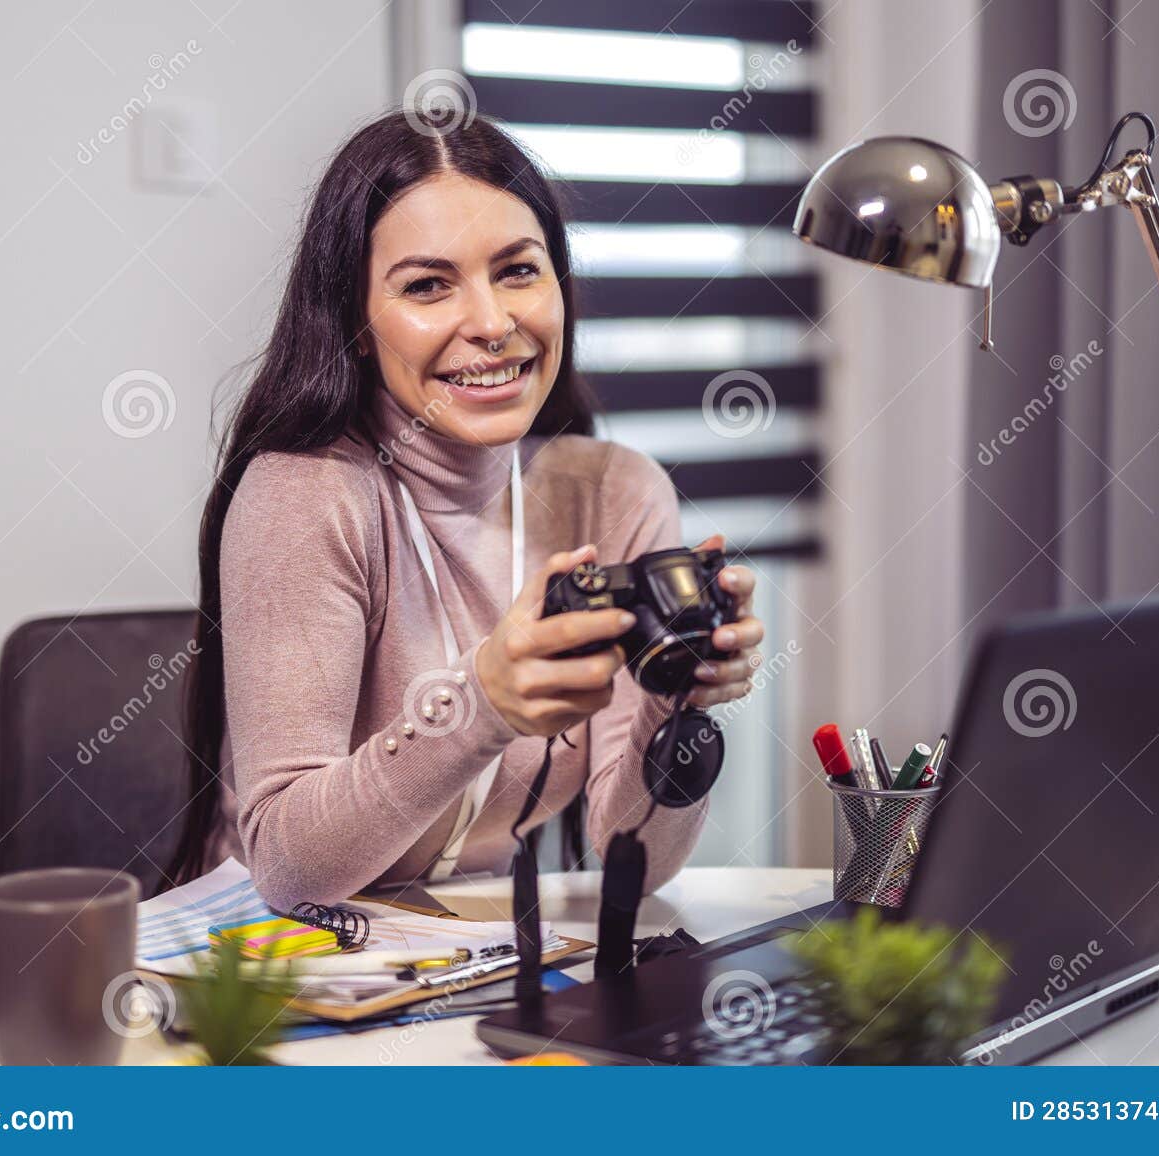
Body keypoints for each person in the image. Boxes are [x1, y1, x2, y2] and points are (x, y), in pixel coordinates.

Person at [162, 108, 765, 910]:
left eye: (518, 271)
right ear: (358, 325)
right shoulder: (305, 495)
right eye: (427, 286)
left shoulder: (618, 493)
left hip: (475, 954)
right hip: (281, 956)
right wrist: (480, 706)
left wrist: (671, 700)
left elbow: (633, 862)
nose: (491, 323)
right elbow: (287, 867)